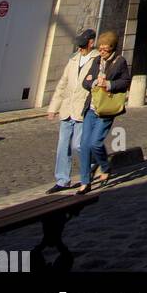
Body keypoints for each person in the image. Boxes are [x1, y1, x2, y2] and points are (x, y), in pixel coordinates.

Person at [76, 31, 131, 194]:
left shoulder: (119, 62)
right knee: (84, 145)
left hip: (106, 109)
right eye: (100, 49)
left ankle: (105, 167)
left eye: (105, 49)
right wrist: (93, 82)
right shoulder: (96, 61)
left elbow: (125, 82)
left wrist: (108, 84)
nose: (102, 52)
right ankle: (85, 182)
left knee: (95, 142)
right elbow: (86, 81)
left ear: (112, 48)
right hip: (91, 108)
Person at [46, 29, 96, 192]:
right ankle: (62, 180)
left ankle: (96, 160)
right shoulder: (73, 59)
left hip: (83, 108)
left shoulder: (97, 60)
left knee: (78, 145)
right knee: (63, 145)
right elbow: (63, 83)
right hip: (67, 107)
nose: (80, 48)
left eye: (83, 44)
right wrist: (54, 107)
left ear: (91, 42)